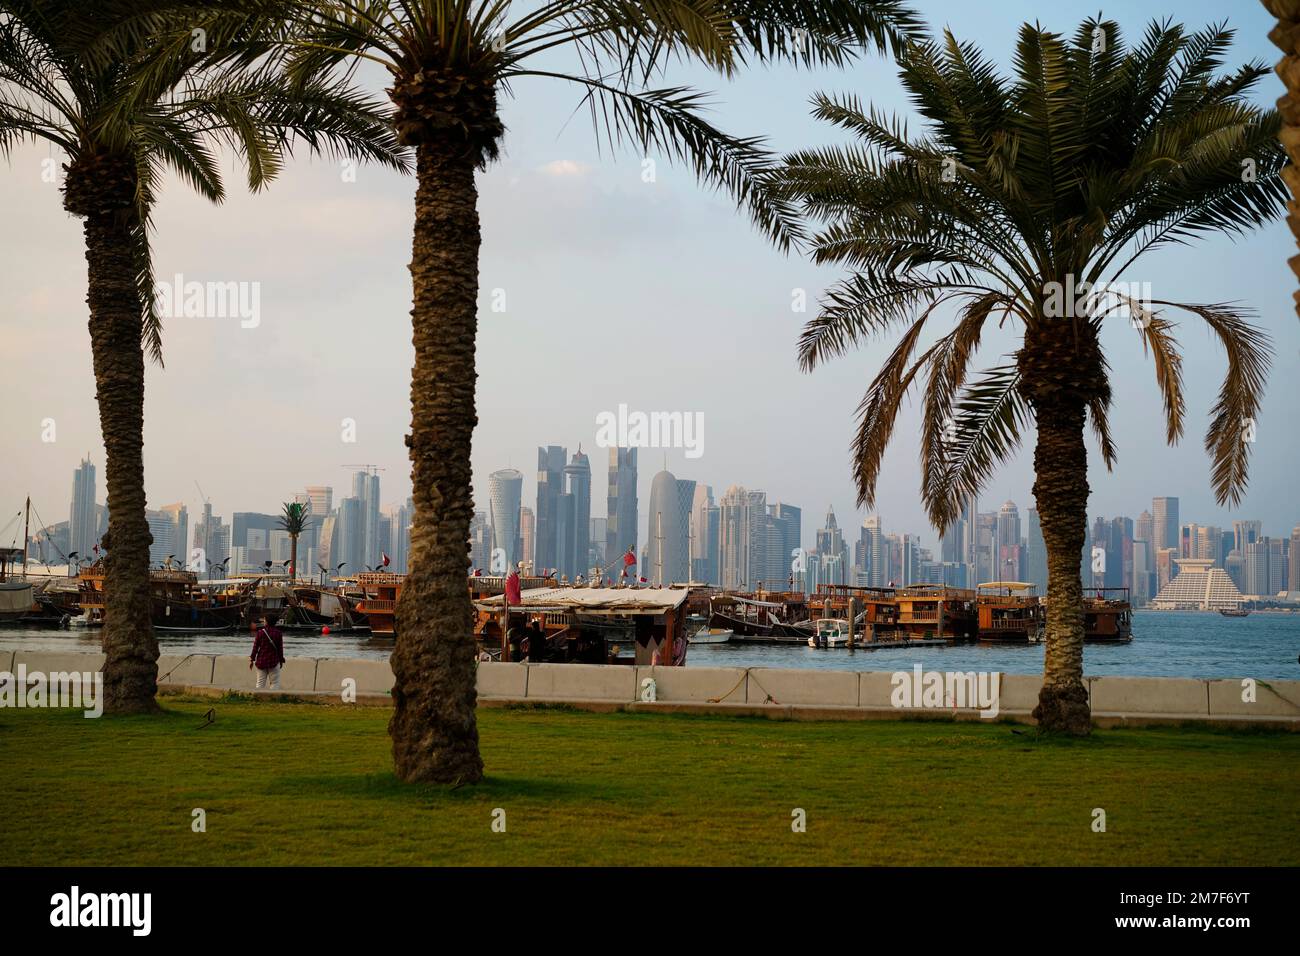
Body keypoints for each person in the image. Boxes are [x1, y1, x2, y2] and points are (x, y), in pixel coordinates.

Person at [249, 613, 285, 689]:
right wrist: (281, 660)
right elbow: (280, 649)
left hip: (261, 661)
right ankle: (273, 698)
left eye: (264, 619)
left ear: (267, 621)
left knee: (260, 683)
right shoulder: (278, 633)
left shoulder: (260, 633)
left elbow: (255, 648)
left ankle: (258, 698)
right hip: (274, 661)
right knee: (275, 683)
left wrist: (252, 659)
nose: (264, 621)